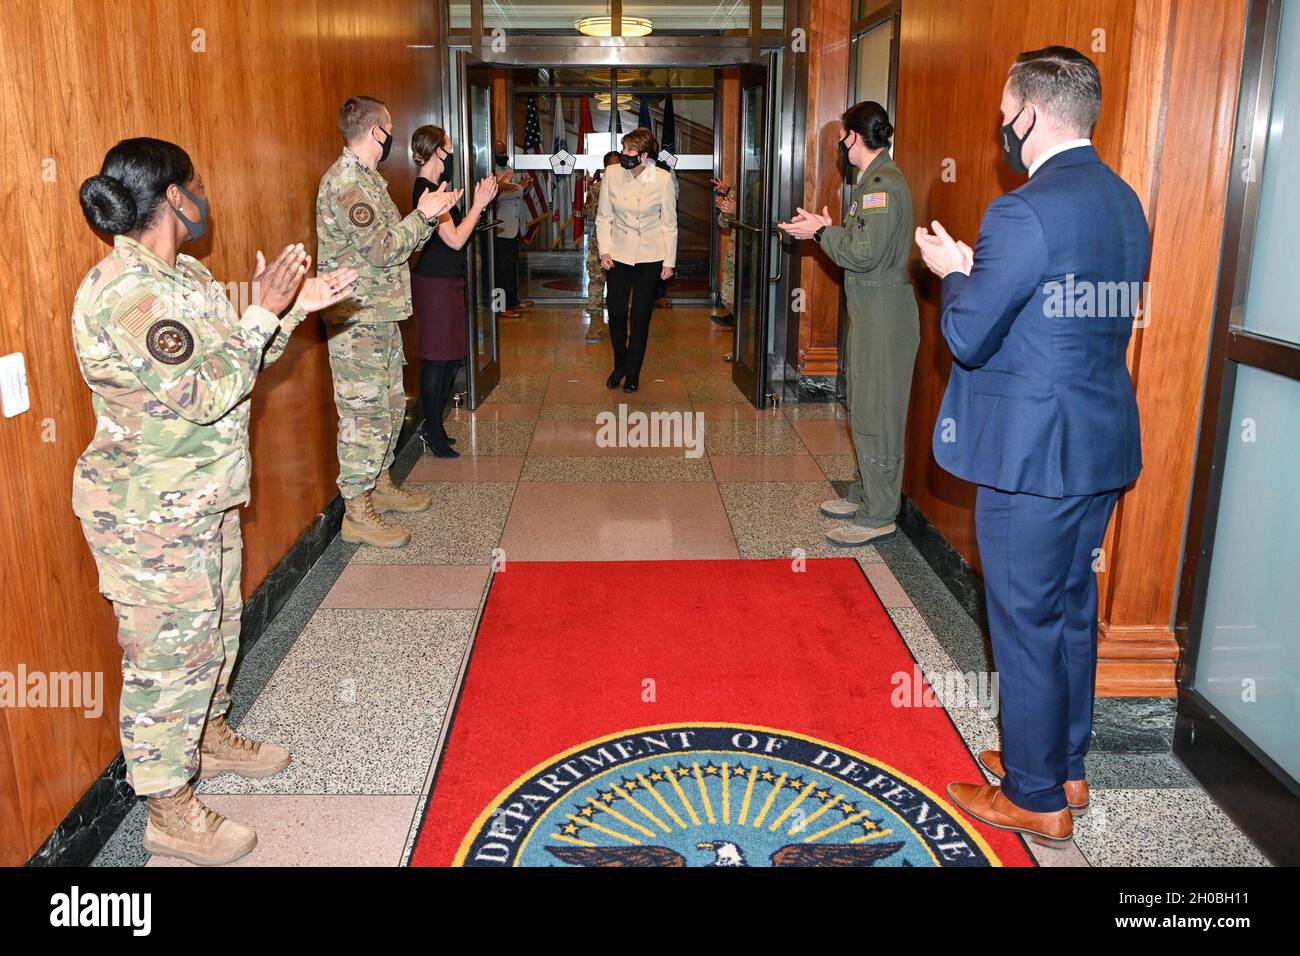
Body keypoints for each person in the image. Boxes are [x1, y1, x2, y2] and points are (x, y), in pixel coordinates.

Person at [73, 137, 356, 865]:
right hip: (148, 515)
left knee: (216, 632)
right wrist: (263, 311)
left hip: (204, 498)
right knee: (167, 663)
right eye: (193, 185)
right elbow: (203, 391)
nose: (202, 198)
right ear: (171, 195)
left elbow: (235, 361)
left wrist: (289, 311)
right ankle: (168, 809)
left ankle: (210, 736)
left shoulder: (187, 277)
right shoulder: (126, 291)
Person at [915, 47, 1150, 846]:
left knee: (1021, 616)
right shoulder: (1122, 202)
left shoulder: (1023, 209)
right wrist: (989, 274)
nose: (999, 126)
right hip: (1099, 441)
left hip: (1033, 456)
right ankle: (1062, 760)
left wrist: (953, 272)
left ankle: (1034, 793)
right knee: (1070, 607)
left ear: (1030, 115)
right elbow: (1064, 309)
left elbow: (971, 336)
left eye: (1004, 108)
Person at [316, 96, 458, 549]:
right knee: (364, 415)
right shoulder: (346, 185)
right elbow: (383, 248)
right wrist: (426, 216)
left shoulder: (369, 179)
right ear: (376, 131)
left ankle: (379, 484)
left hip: (379, 316)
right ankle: (357, 512)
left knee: (391, 406)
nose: (392, 135)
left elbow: (389, 244)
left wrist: (424, 218)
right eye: (390, 128)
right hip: (356, 321)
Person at [778, 101, 919, 547]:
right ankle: (866, 493)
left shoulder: (882, 186)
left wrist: (821, 233)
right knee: (863, 405)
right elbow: (863, 243)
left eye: (843, 135)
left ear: (854, 137)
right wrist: (824, 226)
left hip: (884, 319)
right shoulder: (871, 182)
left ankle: (880, 513)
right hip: (870, 312)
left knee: (878, 412)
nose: (841, 144)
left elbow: (862, 253)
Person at [410, 125, 498, 458]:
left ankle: (435, 426)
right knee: (437, 361)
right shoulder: (426, 189)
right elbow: (457, 239)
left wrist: (467, 205)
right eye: (448, 146)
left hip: (448, 281)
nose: (452, 151)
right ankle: (430, 430)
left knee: (449, 361)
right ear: (437, 150)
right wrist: (479, 204)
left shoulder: (438, 187)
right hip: (435, 285)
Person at [596, 127, 678, 393]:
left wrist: (669, 261)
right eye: (624, 149)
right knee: (617, 313)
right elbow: (603, 217)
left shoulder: (662, 179)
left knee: (641, 316)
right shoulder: (612, 174)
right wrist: (604, 251)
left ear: (644, 155)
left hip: (650, 255)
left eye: (630, 150)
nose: (624, 154)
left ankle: (633, 372)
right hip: (618, 254)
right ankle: (619, 364)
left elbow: (669, 224)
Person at [582, 150, 622, 343]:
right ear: (606, 167)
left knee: (624, 286)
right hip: (601, 245)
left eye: (619, 165)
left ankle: (622, 323)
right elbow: (589, 214)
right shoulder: (597, 189)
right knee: (597, 283)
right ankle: (595, 323)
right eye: (612, 165)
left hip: (624, 244)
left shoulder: (630, 187)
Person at [491, 142, 533, 317]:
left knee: (511, 267)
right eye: (499, 152)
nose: (504, 154)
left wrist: (525, 186)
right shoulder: (491, 171)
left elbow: (516, 191)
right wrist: (521, 187)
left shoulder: (507, 168)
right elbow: (499, 194)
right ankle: (500, 307)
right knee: (500, 270)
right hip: (501, 227)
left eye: (504, 151)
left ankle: (513, 300)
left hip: (514, 226)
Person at [711, 177, 737, 327]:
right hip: (736, 248)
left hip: (751, 249)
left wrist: (736, 209)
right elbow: (723, 222)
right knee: (729, 294)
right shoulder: (741, 183)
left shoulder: (761, 185)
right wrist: (728, 192)